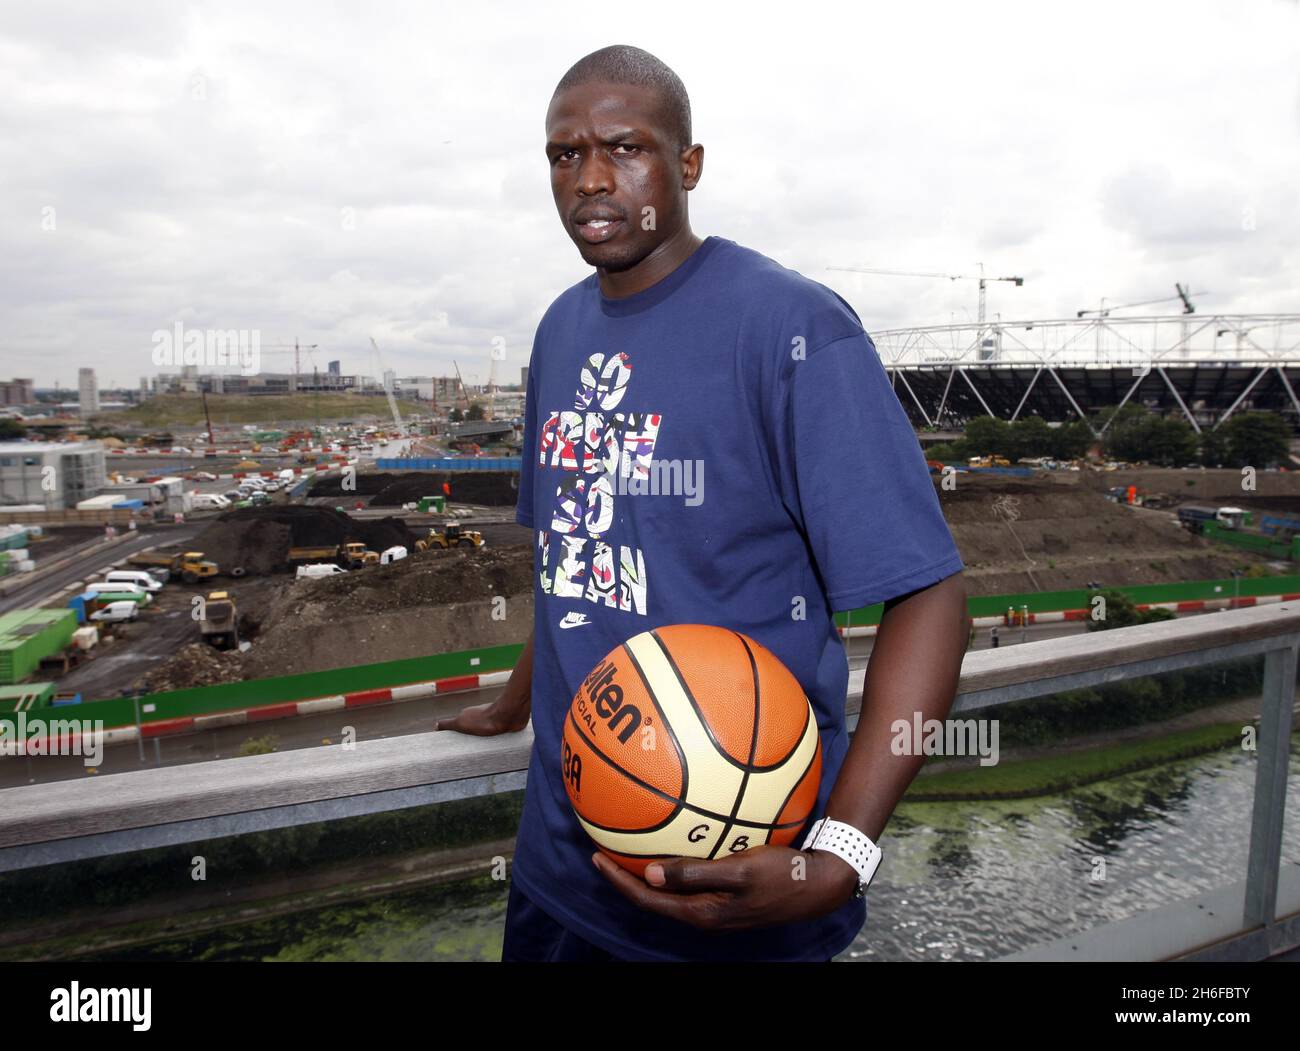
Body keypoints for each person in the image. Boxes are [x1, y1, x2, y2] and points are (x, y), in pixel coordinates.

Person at [438, 44, 968, 962]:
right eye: (565, 155)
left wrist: (837, 856)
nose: (592, 179)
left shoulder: (792, 327)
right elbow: (579, 551)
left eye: (624, 147)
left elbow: (932, 598)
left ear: (687, 165)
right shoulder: (559, 329)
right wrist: (515, 702)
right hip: (560, 879)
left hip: (738, 895)